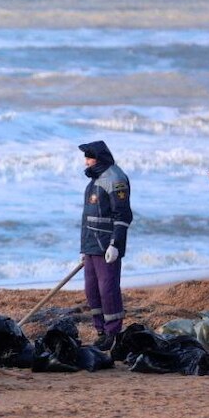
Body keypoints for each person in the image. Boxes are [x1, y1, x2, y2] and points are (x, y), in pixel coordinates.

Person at [79, 141, 133, 350]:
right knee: (91, 289)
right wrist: (83, 249)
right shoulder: (94, 180)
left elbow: (123, 215)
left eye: (89, 158)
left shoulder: (115, 178)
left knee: (108, 290)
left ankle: (113, 332)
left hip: (107, 246)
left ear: (98, 159)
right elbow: (88, 218)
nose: (86, 162)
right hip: (91, 245)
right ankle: (100, 330)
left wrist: (115, 245)